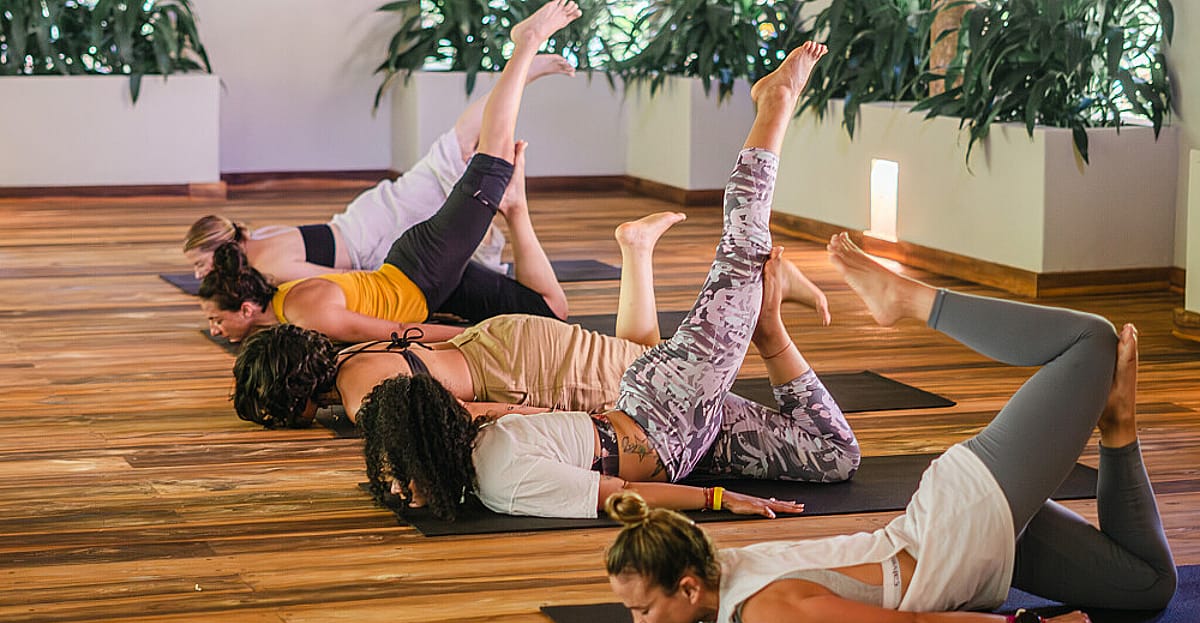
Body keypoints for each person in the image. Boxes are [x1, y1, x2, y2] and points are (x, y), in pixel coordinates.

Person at [604, 233, 1177, 623]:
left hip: (962, 528)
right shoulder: (714, 567)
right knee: (1148, 586)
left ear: (686, 585)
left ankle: (909, 299)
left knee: (1091, 341)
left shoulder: (768, 619)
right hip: (953, 547)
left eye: (641, 608)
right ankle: (1118, 426)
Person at [360, 41, 860, 522]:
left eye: (398, 470)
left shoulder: (500, 477)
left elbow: (617, 495)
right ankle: (767, 332)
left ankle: (775, 102)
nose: (399, 485)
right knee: (835, 457)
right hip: (668, 424)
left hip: (670, 412)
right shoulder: (484, 447)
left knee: (743, 252)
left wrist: (718, 500)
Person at [196, 1, 583, 344]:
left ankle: (527, 43)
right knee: (550, 315)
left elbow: (397, 333)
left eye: (216, 319)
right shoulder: (282, 300)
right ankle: (515, 209)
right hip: (423, 278)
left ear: (247, 308)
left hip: (424, 274)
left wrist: (477, 338)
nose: (214, 328)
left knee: (493, 159)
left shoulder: (303, 311)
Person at [232, 211, 831, 427]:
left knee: (656, 372)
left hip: (523, 369)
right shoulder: (354, 358)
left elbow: (465, 413)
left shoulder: (361, 396)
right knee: (639, 361)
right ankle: (637, 249)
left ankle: (761, 283)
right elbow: (435, 337)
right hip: (496, 340)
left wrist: (548, 418)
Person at [183, 54, 575, 285]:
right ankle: (522, 70)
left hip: (373, 238)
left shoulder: (265, 264)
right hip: (364, 215)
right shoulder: (257, 236)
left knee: (464, 217)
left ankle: (524, 69)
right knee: (453, 146)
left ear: (222, 250)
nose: (200, 276)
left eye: (201, 265)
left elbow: (341, 283)